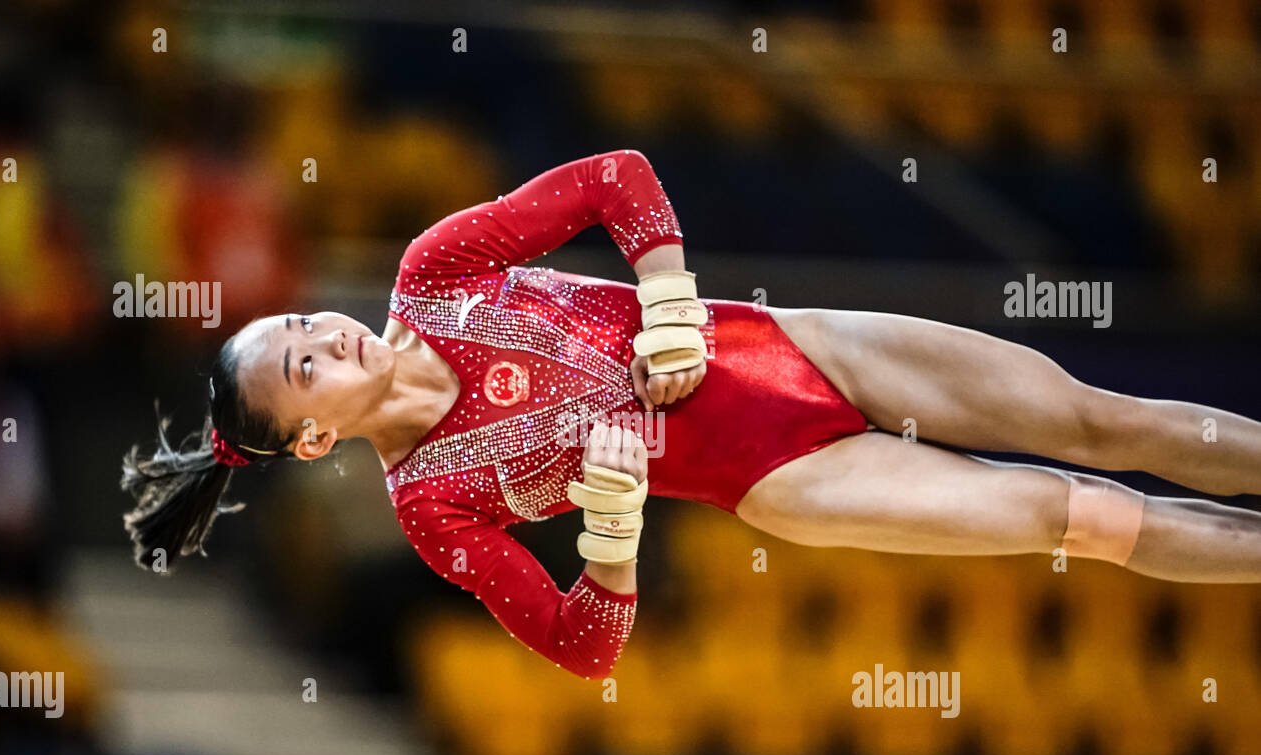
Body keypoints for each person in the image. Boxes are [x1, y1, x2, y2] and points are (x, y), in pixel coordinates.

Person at [123, 149, 1261, 679]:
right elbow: (580, 647)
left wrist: (664, 289)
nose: (327, 341)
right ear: (316, 437)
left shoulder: (436, 273)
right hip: (781, 479)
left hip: (801, 342)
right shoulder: (433, 504)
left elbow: (615, 176)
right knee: (1075, 511)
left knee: (1103, 421)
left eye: (301, 327)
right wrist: (610, 539)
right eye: (306, 371)